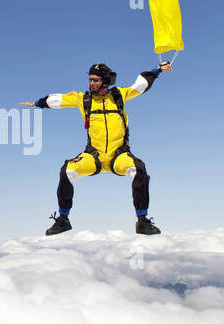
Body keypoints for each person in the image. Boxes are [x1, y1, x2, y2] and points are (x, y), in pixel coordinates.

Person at [21, 61, 171, 236]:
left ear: (106, 81)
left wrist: (158, 69)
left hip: (118, 155)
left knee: (139, 170)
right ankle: (63, 220)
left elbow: (140, 86)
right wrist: (38, 103)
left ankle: (142, 222)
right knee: (67, 171)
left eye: (95, 80)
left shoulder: (119, 95)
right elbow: (58, 100)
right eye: (90, 80)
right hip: (94, 156)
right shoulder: (83, 99)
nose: (91, 83)